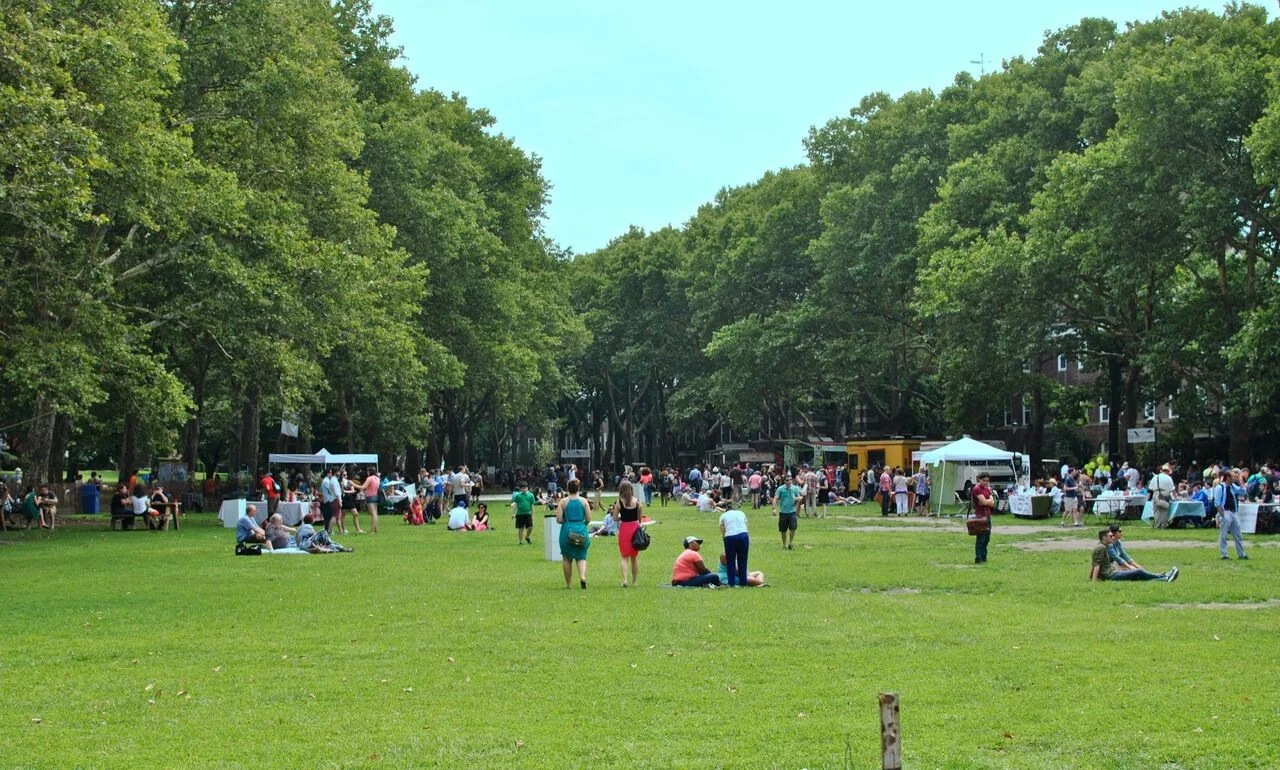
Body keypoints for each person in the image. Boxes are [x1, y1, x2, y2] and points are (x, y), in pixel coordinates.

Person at [1090, 529, 1177, 581]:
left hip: (1113, 572)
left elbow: (1096, 564)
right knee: (1138, 571)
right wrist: (1093, 581)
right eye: (1110, 536)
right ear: (1104, 537)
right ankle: (1162, 576)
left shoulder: (1105, 546)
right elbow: (1096, 565)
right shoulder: (1101, 548)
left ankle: (1164, 578)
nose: (1112, 537)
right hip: (1112, 575)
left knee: (1137, 577)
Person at [556, 478, 591, 589]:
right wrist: (582, 524)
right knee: (581, 557)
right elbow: (588, 519)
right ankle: (582, 577)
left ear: (567, 488)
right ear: (578, 488)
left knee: (567, 559)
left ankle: (569, 584)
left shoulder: (563, 502)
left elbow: (559, 520)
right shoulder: (584, 501)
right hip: (581, 529)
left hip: (567, 531)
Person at [1212, 469, 1249, 560]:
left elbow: (1243, 492)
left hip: (1233, 512)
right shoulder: (1219, 487)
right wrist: (1223, 515)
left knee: (1238, 534)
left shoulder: (1232, 487)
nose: (1235, 477)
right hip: (1225, 512)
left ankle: (1241, 554)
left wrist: (1240, 482)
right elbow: (1217, 503)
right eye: (1233, 475)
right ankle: (1224, 554)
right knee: (1223, 535)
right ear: (1228, 477)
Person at [613, 480, 644, 588]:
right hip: (635, 529)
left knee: (624, 556)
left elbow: (615, 518)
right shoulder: (638, 502)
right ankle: (634, 581)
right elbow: (640, 520)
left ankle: (625, 579)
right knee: (634, 557)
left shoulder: (619, 502)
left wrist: (622, 517)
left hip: (624, 529)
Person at [719, 505, 750, 587]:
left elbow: (722, 527)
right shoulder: (741, 513)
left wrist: (724, 536)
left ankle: (731, 583)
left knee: (731, 560)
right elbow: (746, 524)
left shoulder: (723, 515)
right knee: (743, 560)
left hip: (730, 537)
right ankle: (743, 582)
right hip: (744, 535)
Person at [971, 472, 995, 564]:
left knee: (987, 537)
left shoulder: (987, 489)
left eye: (987, 481)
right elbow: (984, 502)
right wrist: (988, 501)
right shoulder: (977, 489)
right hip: (980, 515)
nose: (985, 482)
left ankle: (984, 556)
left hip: (988, 515)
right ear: (979, 479)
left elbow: (992, 502)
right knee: (981, 537)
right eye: (984, 480)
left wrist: (987, 501)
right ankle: (978, 557)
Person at [774, 474, 801, 550]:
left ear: (792, 481)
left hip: (792, 512)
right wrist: (774, 508)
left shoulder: (795, 488)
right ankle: (784, 544)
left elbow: (799, 497)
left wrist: (797, 498)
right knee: (783, 530)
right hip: (783, 512)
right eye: (787, 480)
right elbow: (775, 498)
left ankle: (791, 543)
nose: (789, 482)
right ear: (784, 481)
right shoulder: (780, 489)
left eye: (790, 480)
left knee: (793, 528)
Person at [1149, 463, 1176, 529]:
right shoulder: (1169, 478)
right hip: (1165, 494)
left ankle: (1157, 525)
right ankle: (1163, 525)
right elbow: (1172, 489)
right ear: (1167, 471)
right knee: (1164, 511)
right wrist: (1175, 497)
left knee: (1156, 510)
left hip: (1156, 493)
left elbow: (1150, 488)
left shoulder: (1155, 477)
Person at [511, 481, 536, 545]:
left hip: (528, 513)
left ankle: (527, 536)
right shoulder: (518, 496)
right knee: (521, 528)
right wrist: (513, 514)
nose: (524, 489)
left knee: (530, 526)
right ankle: (521, 541)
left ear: (527, 488)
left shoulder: (531, 495)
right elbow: (515, 504)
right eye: (523, 488)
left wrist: (532, 514)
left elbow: (532, 505)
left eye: (525, 488)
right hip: (520, 514)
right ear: (520, 489)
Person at [360, 467, 381, 534]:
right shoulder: (378, 478)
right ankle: (375, 529)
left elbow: (363, 487)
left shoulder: (369, 478)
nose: (367, 472)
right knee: (375, 514)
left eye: (367, 471)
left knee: (373, 514)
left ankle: (372, 531)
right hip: (375, 496)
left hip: (370, 497)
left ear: (370, 472)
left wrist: (353, 484)